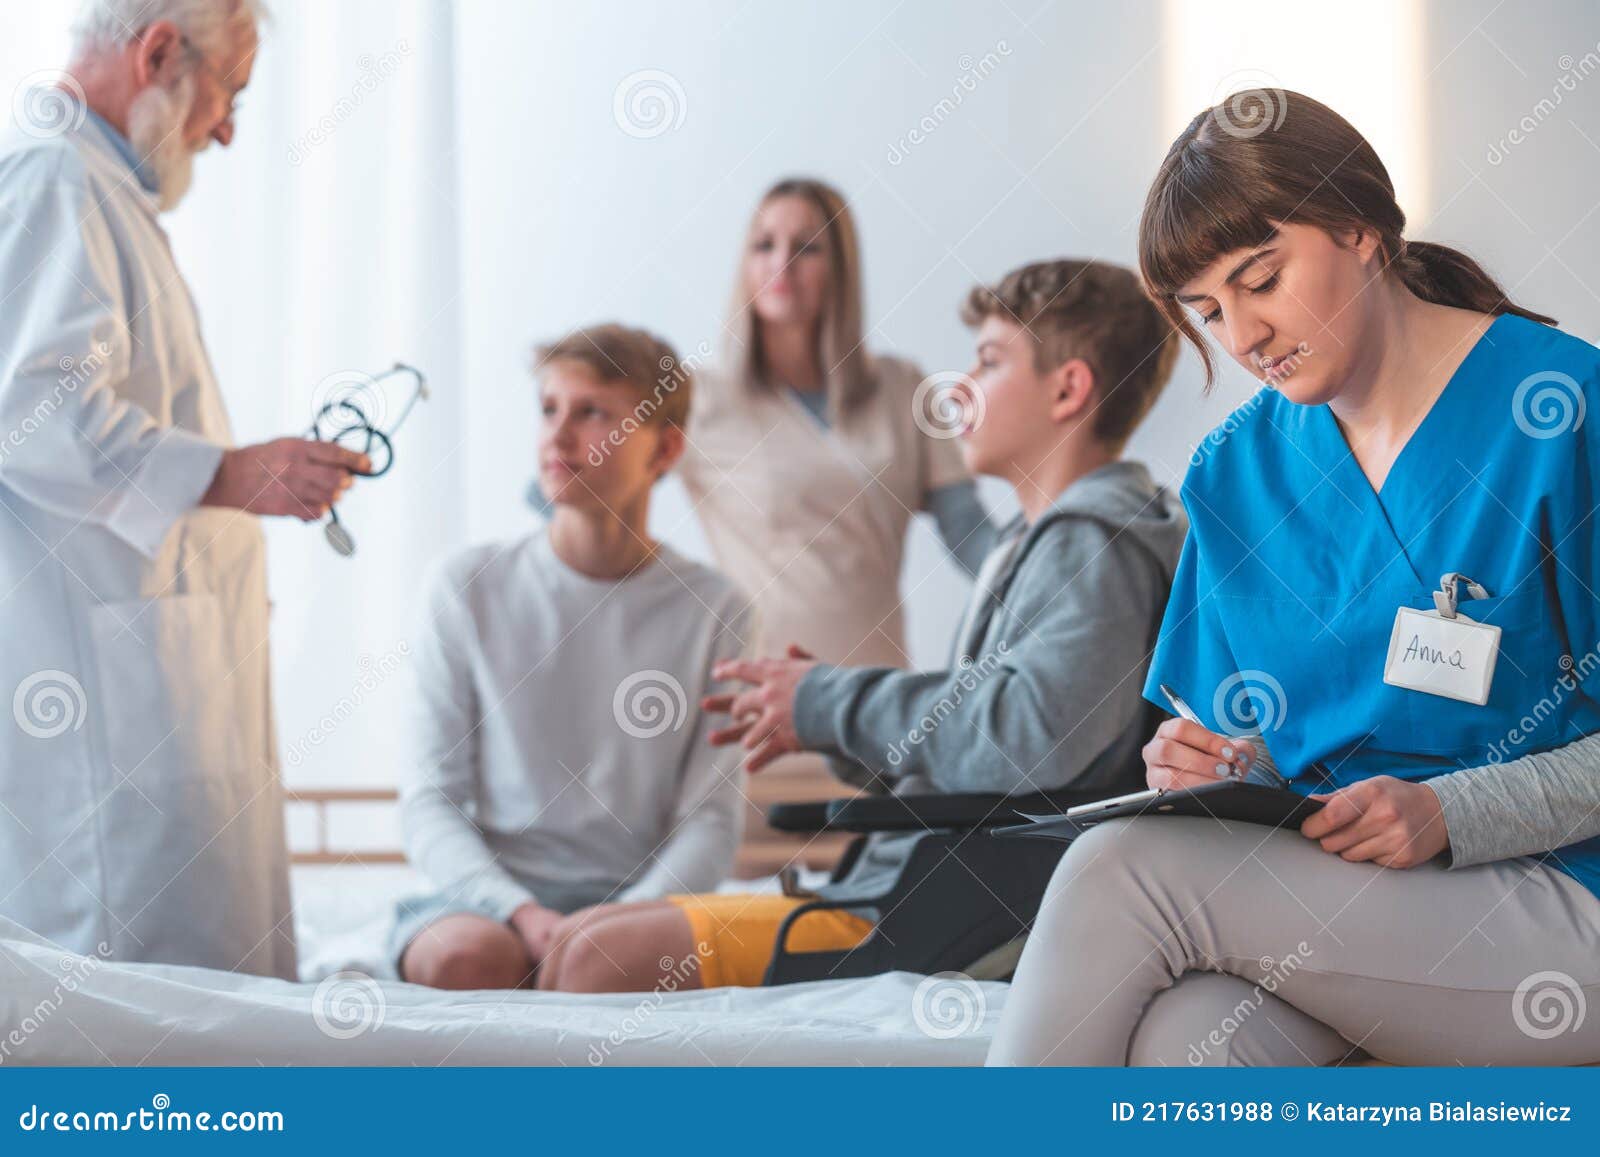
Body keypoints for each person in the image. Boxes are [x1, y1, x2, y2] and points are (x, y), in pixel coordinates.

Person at [989, 90, 1600, 1067]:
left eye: (1261, 280)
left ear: (1359, 228)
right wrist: (1228, 769)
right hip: (1364, 900)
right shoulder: (1234, 471)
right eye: (1209, 311)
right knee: (1196, 1047)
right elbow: (1270, 742)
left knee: (1120, 871)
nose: (1241, 338)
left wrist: (1450, 811)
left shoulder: (1563, 407)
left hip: (1564, 896)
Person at [533, 259, 1187, 993]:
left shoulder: (1089, 545)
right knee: (583, 940)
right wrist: (833, 725)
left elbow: (1031, 740)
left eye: (990, 361)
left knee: (594, 955)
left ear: (1068, 388)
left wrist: (827, 701)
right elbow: (994, 752)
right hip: (919, 894)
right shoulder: (1045, 545)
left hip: (950, 913)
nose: (961, 384)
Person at [0, 0, 369, 978]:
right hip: (101, 717)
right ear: (159, 51)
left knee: (210, 990)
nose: (230, 128)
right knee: (143, 1016)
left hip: (152, 678)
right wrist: (229, 471)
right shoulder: (51, 176)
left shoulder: (102, 191)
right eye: (229, 92)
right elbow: (29, 408)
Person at [394, 324, 751, 990]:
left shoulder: (714, 608)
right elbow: (429, 799)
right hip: (486, 902)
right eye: (550, 408)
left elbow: (711, 816)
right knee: (466, 960)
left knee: (601, 963)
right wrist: (521, 912)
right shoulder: (466, 586)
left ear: (664, 448)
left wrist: (612, 921)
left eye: (593, 413)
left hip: (641, 901)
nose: (558, 437)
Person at [676, 177, 998, 858]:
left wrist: (1067, 573)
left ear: (841, 269)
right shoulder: (697, 398)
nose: (782, 263)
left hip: (878, 721)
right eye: (764, 244)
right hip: (754, 722)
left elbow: (973, 537)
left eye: (807, 248)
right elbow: (588, 486)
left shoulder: (902, 387)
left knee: (872, 920)